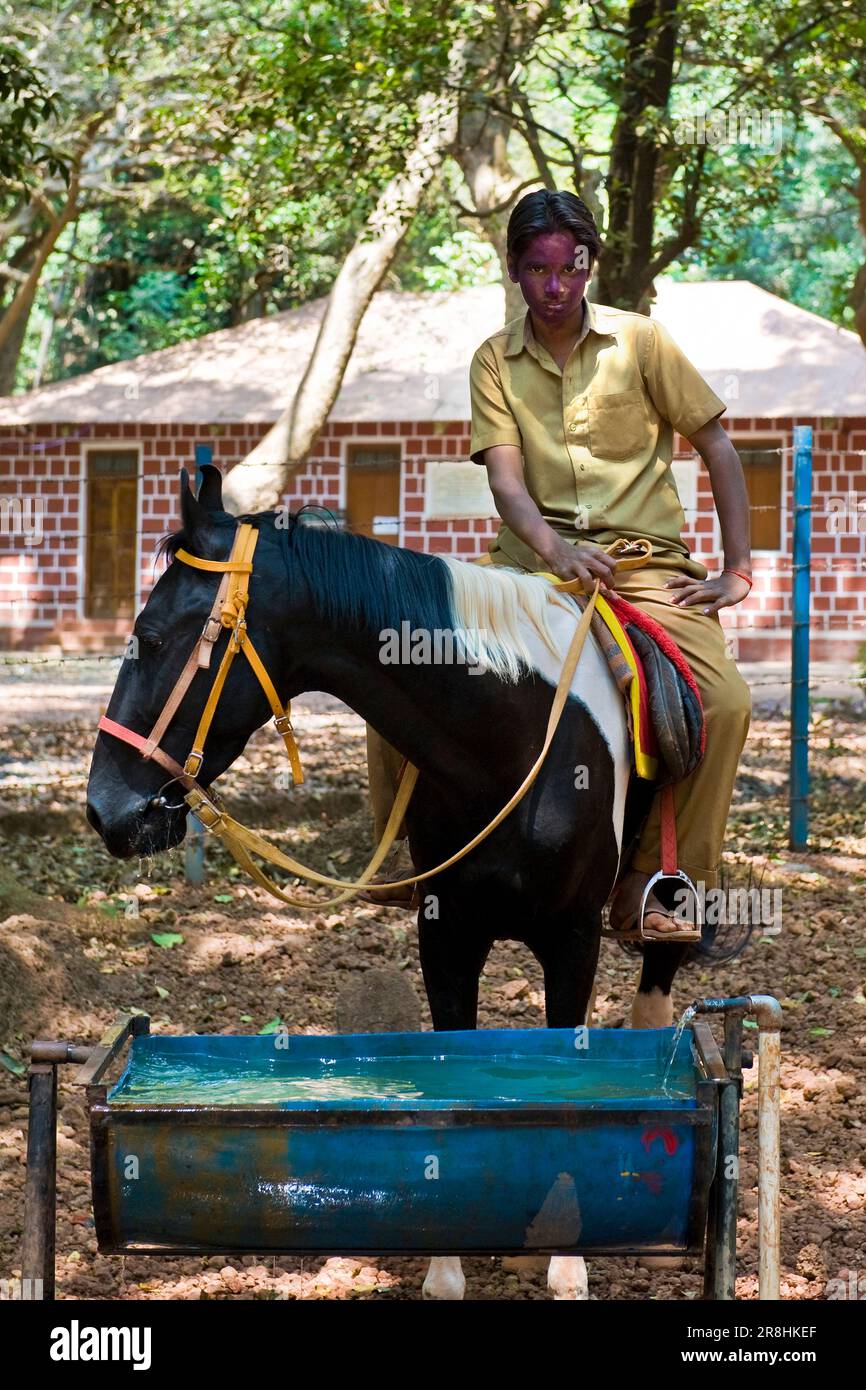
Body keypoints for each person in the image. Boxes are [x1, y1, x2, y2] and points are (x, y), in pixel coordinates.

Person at [366, 189, 751, 940]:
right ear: (514, 271)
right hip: (527, 571)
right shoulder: (494, 361)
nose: (556, 287)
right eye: (538, 270)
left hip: (644, 574)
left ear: (590, 267)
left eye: (570, 269)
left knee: (728, 703)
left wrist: (737, 570)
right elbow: (507, 483)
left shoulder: (643, 343)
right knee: (398, 660)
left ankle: (662, 888)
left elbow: (719, 448)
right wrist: (557, 551)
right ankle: (402, 863)